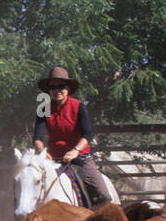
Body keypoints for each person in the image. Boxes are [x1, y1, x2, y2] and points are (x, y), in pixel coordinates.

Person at [32, 66, 111, 207]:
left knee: (102, 194)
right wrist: (43, 152)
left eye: (61, 86)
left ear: (68, 88)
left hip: (80, 158)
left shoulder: (79, 106)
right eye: (52, 87)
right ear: (48, 90)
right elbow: (37, 138)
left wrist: (75, 150)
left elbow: (87, 134)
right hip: (53, 160)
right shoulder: (43, 109)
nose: (57, 90)